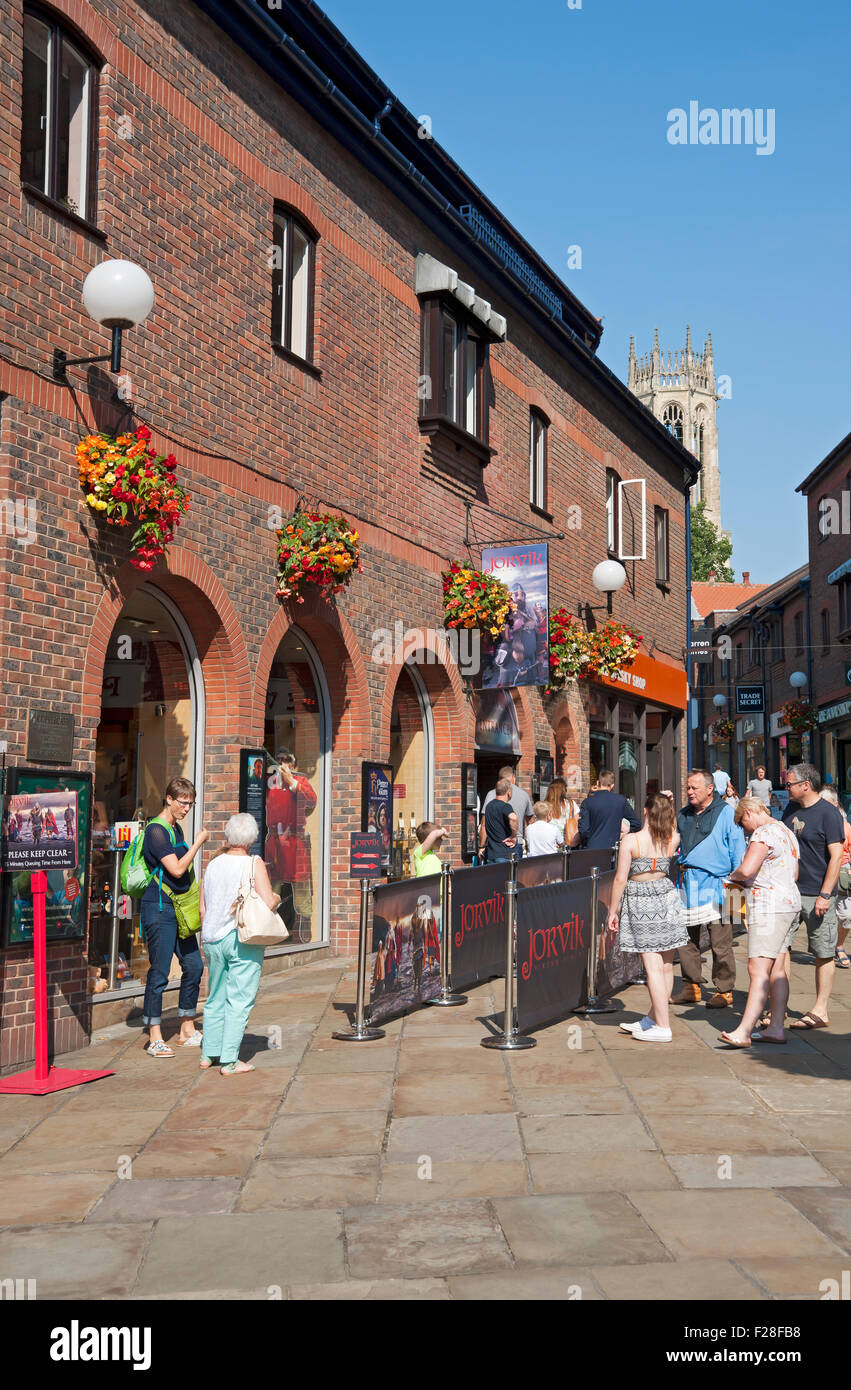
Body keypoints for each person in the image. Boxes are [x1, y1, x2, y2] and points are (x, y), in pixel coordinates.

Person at [199, 812, 279, 1074]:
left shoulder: (213, 863)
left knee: (215, 997)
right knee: (239, 1000)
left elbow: (203, 907)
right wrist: (277, 897)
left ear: (228, 835)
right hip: (241, 938)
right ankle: (230, 1061)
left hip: (212, 938)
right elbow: (267, 902)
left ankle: (208, 1053)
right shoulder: (253, 863)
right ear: (253, 838)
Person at [719, 797, 801, 1046]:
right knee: (777, 969)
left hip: (768, 907)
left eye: (743, 823)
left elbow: (747, 869)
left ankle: (743, 1031)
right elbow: (795, 873)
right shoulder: (787, 831)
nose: (746, 829)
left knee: (758, 969)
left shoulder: (763, 833)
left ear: (749, 813)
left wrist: (731, 878)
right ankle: (775, 1027)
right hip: (789, 904)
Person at [606, 792, 687, 1043]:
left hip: (642, 901)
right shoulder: (672, 838)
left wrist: (612, 910)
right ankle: (653, 1018)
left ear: (644, 812)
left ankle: (663, 1026)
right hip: (666, 895)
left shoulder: (632, 840)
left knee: (652, 967)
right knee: (664, 965)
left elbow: (620, 879)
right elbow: (672, 825)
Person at [140, 777, 209, 1058]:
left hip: (178, 908)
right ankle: (154, 1036)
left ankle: (186, 1028)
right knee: (159, 973)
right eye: (183, 803)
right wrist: (198, 843)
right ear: (169, 799)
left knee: (193, 965)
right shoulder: (156, 831)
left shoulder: (175, 828)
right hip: (158, 908)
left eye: (191, 804)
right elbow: (177, 869)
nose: (187, 809)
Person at [673, 769, 746, 1008]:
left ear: (709, 789)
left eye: (694, 787)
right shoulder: (683, 815)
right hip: (686, 884)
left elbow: (737, 850)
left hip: (717, 884)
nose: (689, 791)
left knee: (720, 942)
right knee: (685, 940)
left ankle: (724, 990)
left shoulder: (726, 813)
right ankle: (691, 986)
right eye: (688, 788)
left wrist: (738, 889)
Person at [782, 764, 844, 1028]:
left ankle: (821, 1011)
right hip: (789, 892)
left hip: (817, 894)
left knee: (823, 952)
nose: (787, 788)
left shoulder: (829, 814)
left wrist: (825, 894)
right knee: (780, 949)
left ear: (806, 785)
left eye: (790, 784)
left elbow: (837, 856)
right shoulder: (791, 809)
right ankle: (778, 1006)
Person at [265, 750, 317, 938]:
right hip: (275, 842)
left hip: (295, 842)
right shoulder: (270, 783)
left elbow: (312, 800)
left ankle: (303, 926)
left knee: (301, 885)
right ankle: (268, 926)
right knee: (272, 885)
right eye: (279, 761)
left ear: (293, 765)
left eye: (286, 761)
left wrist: (292, 782)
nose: (282, 764)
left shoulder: (300, 781)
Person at [820, 787, 851, 969]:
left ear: (835, 804)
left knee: (847, 915)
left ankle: (838, 944)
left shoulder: (845, 826)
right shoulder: (817, 823)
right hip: (822, 872)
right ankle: (828, 948)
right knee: (825, 914)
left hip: (843, 874)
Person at [576, 770, 641, 850]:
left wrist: (588, 841)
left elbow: (583, 830)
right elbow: (637, 824)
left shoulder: (587, 802)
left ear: (597, 783)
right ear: (612, 785)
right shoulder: (620, 800)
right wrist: (623, 834)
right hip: (613, 849)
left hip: (592, 849)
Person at [482, 765, 534, 849]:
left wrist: (482, 846)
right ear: (513, 777)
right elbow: (530, 822)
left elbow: (484, 824)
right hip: (516, 842)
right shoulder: (524, 794)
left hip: (493, 844)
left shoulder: (491, 794)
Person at [480, 777, 519, 863]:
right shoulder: (506, 806)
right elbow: (513, 817)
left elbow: (484, 826)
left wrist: (481, 847)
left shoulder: (489, 806)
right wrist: (513, 836)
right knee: (509, 876)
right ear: (509, 792)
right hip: (505, 854)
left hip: (491, 855)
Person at [545, 778, 581, 848]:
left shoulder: (545, 805)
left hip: (550, 843)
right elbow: (578, 821)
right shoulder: (570, 804)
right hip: (568, 841)